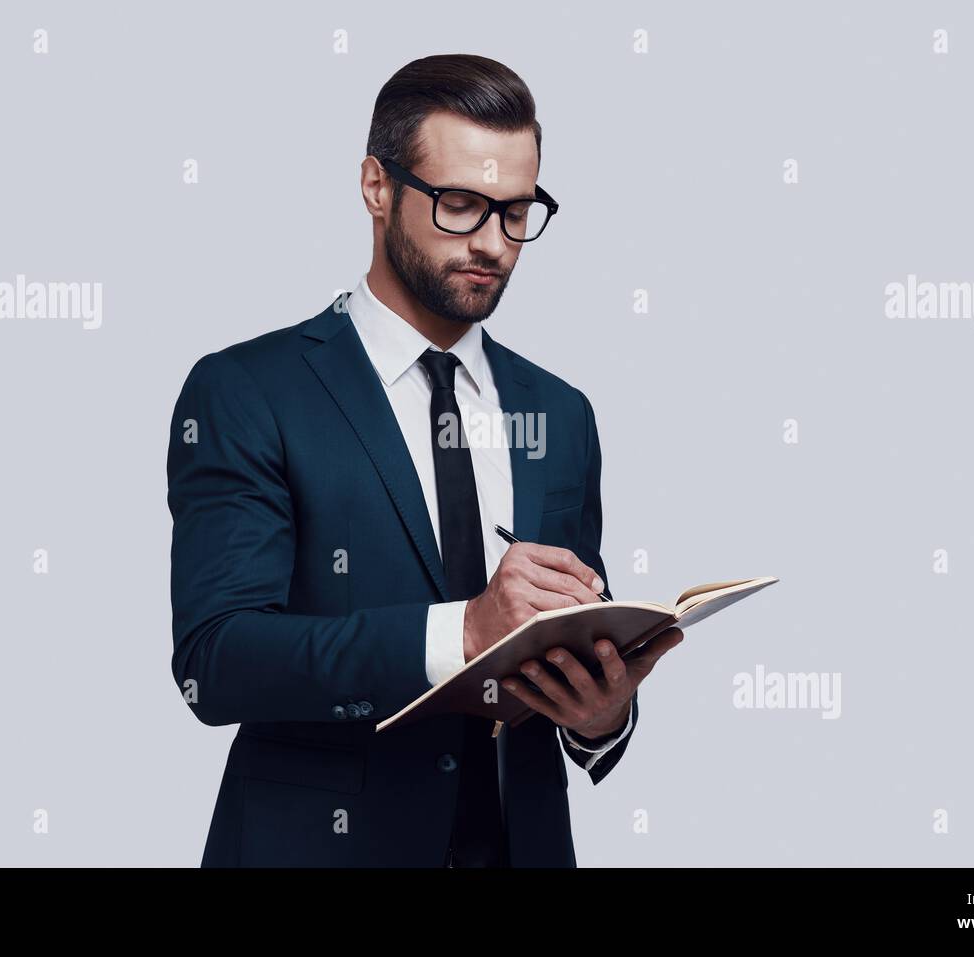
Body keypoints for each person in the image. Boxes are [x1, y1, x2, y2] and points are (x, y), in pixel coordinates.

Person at [166, 53, 682, 867]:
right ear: (377, 186)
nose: (493, 244)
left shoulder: (561, 412)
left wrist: (600, 713)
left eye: (517, 211)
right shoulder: (247, 391)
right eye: (460, 205)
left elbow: (562, 645)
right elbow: (218, 660)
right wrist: (465, 630)